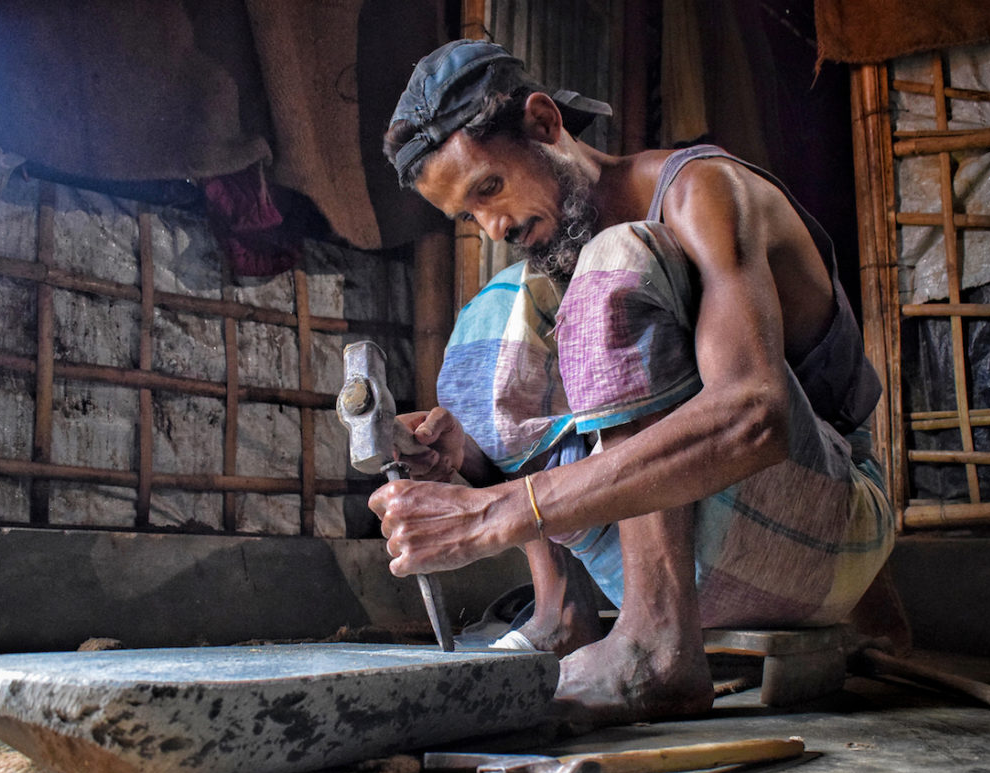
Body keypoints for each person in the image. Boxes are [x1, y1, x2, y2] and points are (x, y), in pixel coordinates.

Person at [369, 39, 895, 727]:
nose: (494, 225)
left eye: (490, 188)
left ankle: (654, 644)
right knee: (488, 319)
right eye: (469, 216)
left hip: (821, 526)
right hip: (702, 544)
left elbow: (754, 416)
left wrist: (497, 511)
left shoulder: (701, 191)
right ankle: (561, 611)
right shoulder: (552, 256)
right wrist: (467, 460)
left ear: (543, 122)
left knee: (613, 264)